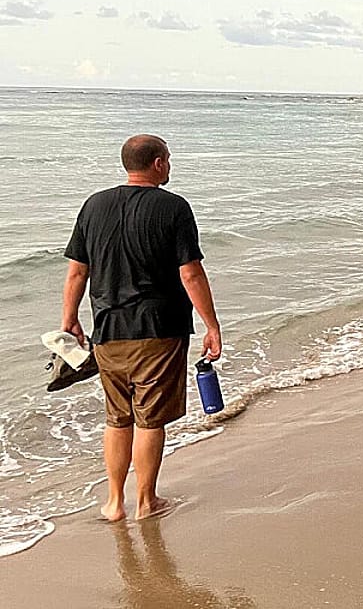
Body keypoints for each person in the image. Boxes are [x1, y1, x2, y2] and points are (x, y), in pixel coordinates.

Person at [62, 134, 222, 520]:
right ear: (158, 163)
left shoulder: (94, 205)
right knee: (150, 419)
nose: (169, 165)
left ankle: (114, 502)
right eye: (168, 159)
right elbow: (191, 273)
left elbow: (77, 271)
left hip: (107, 329)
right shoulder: (174, 208)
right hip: (158, 329)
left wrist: (69, 319)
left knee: (117, 419)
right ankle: (146, 502)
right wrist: (211, 325)